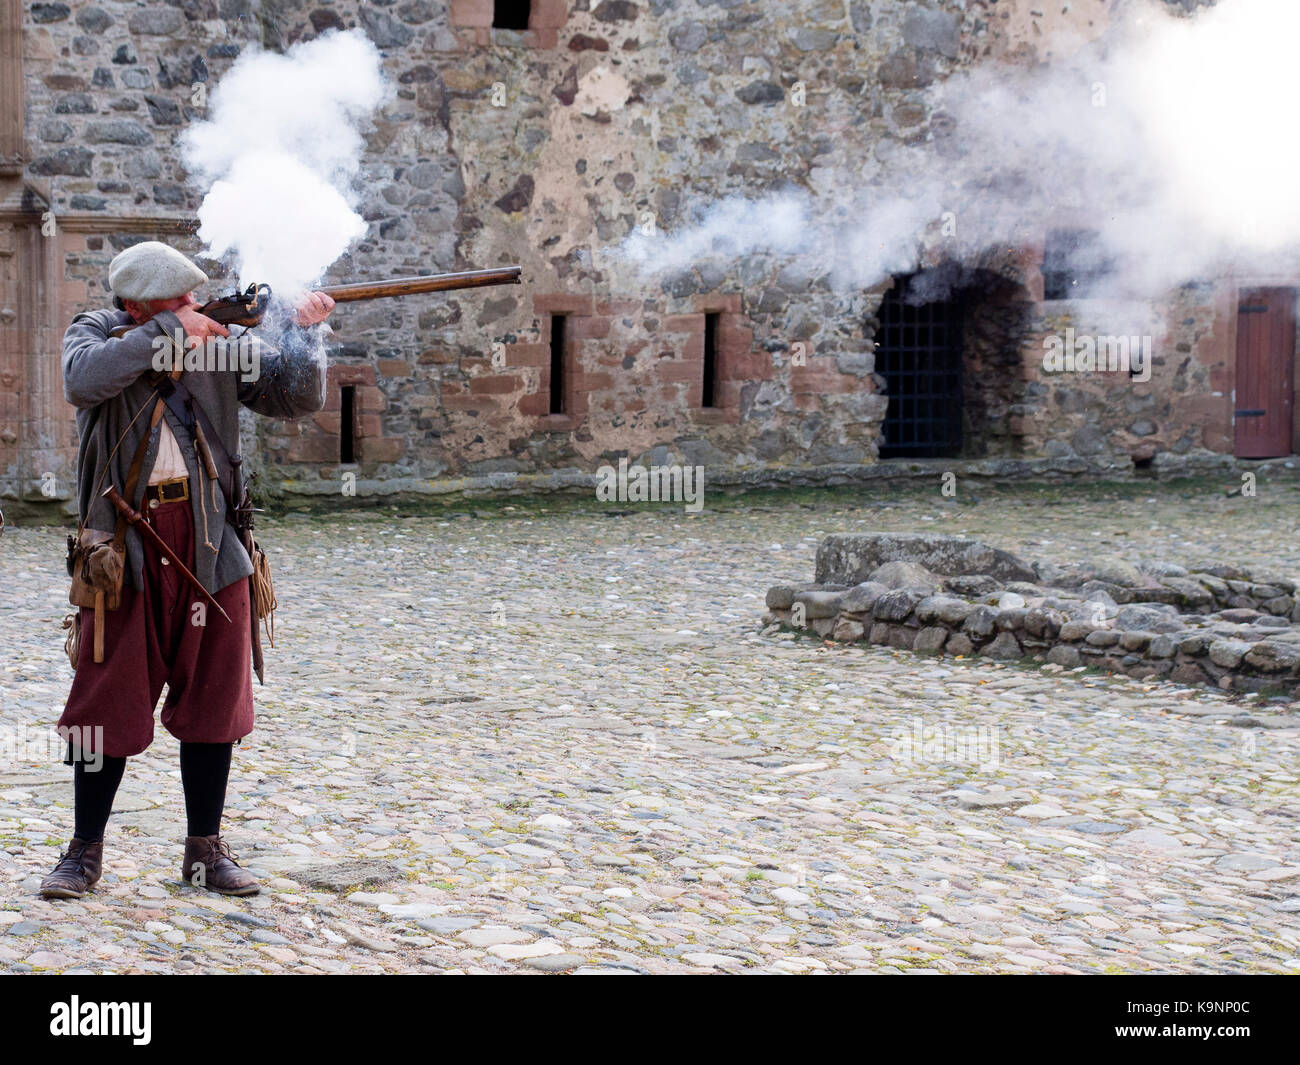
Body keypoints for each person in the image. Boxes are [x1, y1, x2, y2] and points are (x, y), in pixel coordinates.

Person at [40, 240, 334, 899]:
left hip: (212, 539)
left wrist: (308, 336)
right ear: (138, 305)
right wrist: (172, 332)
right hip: (123, 549)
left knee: (215, 701)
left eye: (192, 301)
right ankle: (83, 851)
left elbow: (293, 398)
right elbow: (81, 379)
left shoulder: (220, 345)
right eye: (176, 303)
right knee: (102, 702)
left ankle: (205, 850)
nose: (194, 310)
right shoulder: (95, 332)